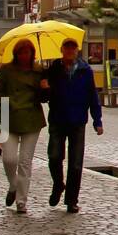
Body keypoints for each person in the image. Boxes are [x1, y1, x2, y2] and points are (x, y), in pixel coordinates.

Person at [45, 38, 103, 214]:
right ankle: (58, 184)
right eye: (67, 48)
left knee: (76, 163)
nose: (70, 51)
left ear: (77, 51)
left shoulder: (85, 71)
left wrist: (97, 120)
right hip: (57, 118)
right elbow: (43, 95)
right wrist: (44, 87)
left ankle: (72, 200)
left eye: (73, 48)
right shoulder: (54, 70)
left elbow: (92, 95)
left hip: (78, 120)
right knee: (54, 156)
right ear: (61, 49)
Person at [0, 39, 48, 214]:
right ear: (17, 54)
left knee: (25, 162)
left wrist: (45, 89)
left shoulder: (39, 71)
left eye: (28, 53)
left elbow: (45, 98)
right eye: (22, 53)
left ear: (32, 54)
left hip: (31, 119)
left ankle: (21, 201)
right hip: (10, 118)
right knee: (9, 159)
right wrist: (8, 103)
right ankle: (13, 185)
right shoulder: (6, 70)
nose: (25, 56)